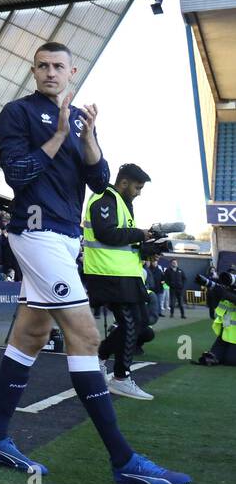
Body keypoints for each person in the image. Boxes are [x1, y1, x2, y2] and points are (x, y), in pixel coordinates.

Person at [0, 41, 188, 484]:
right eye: (43, 66)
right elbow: (17, 175)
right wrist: (56, 138)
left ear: (72, 71)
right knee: (86, 335)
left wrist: (88, 137)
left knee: (32, 335)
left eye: (59, 66)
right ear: (33, 70)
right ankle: (123, 460)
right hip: (36, 233)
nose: (51, 72)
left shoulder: (78, 120)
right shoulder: (17, 114)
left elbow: (97, 180)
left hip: (63, 238)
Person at [85, 163, 166, 400]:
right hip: (108, 274)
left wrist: (146, 248)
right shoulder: (104, 198)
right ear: (123, 183)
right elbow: (106, 234)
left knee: (139, 326)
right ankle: (120, 377)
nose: (139, 192)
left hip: (124, 275)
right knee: (130, 323)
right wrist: (141, 234)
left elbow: (122, 241)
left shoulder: (122, 203)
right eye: (137, 187)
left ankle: (99, 359)